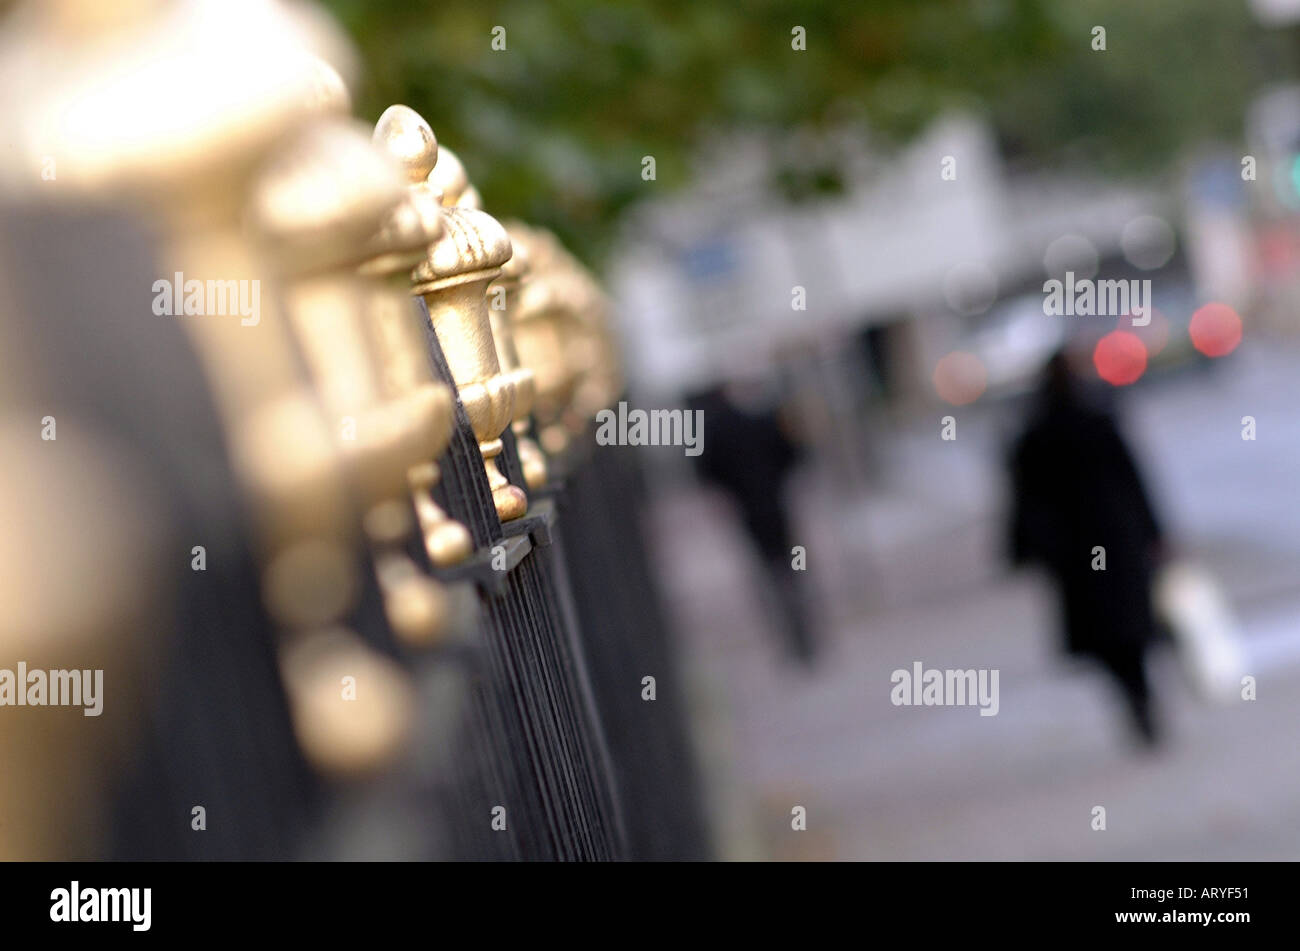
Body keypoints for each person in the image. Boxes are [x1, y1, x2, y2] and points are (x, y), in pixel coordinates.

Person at [1008, 350, 1165, 747]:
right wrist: (1155, 532)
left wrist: (1027, 549)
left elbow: (1023, 502)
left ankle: (1136, 695)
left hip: (1078, 553)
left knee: (1110, 636)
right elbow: (1136, 482)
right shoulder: (1093, 423)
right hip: (1113, 543)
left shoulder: (1036, 435)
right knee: (1127, 631)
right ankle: (1139, 694)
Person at [688, 381, 816, 666]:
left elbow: (707, 473)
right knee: (792, 568)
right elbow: (792, 453)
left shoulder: (715, 433)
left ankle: (788, 636)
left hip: (748, 511)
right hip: (775, 503)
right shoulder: (758, 421)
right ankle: (803, 632)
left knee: (769, 573)